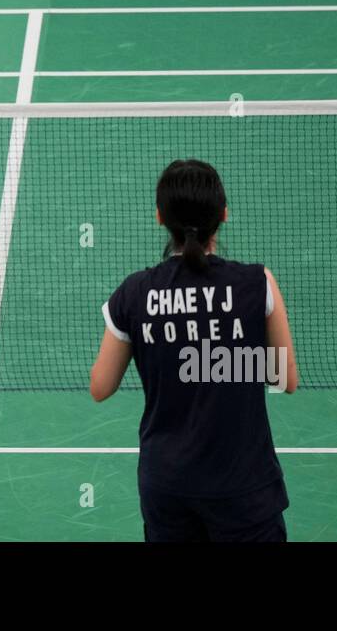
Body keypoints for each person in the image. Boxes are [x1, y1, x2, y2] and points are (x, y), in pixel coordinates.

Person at [90, 159, 299, 542]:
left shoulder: (134, 293)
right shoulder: (257, 283)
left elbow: (101, 386)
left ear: (159, 217)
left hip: (167, 487)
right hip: (243, 488)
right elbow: (285, 378)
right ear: (223, 215)